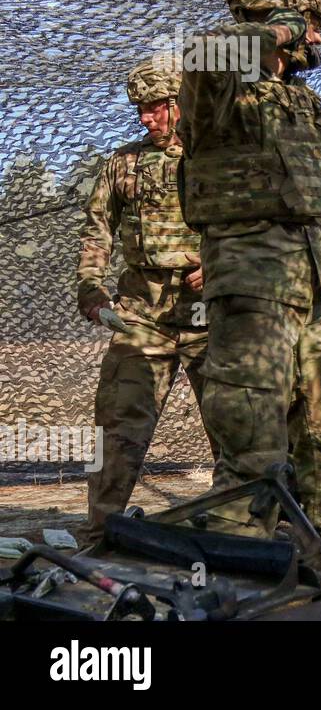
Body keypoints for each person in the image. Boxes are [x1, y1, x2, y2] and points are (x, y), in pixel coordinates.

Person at [176, 0, 321, 570]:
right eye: (310, 25)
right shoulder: (219, 85)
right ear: (278, 18)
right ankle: (231, 578)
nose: (316, 40)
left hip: (313, 285)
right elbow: (206, 54)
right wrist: (281, 28)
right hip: (254, 284)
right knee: (254, 442)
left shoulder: (302, 101)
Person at [77, 52, 211, 543]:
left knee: (242, 433)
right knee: (116, 431)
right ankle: (99, 534)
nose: (146, 117)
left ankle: (249, 534)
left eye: (157, 106)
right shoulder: (124, 164)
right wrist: (90, 288)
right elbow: (97, 231)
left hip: (211, 318)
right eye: (141, 109)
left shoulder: (217, 158)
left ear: (183, 102)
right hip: (142, 316)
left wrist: (218, 264)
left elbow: (259, 230)